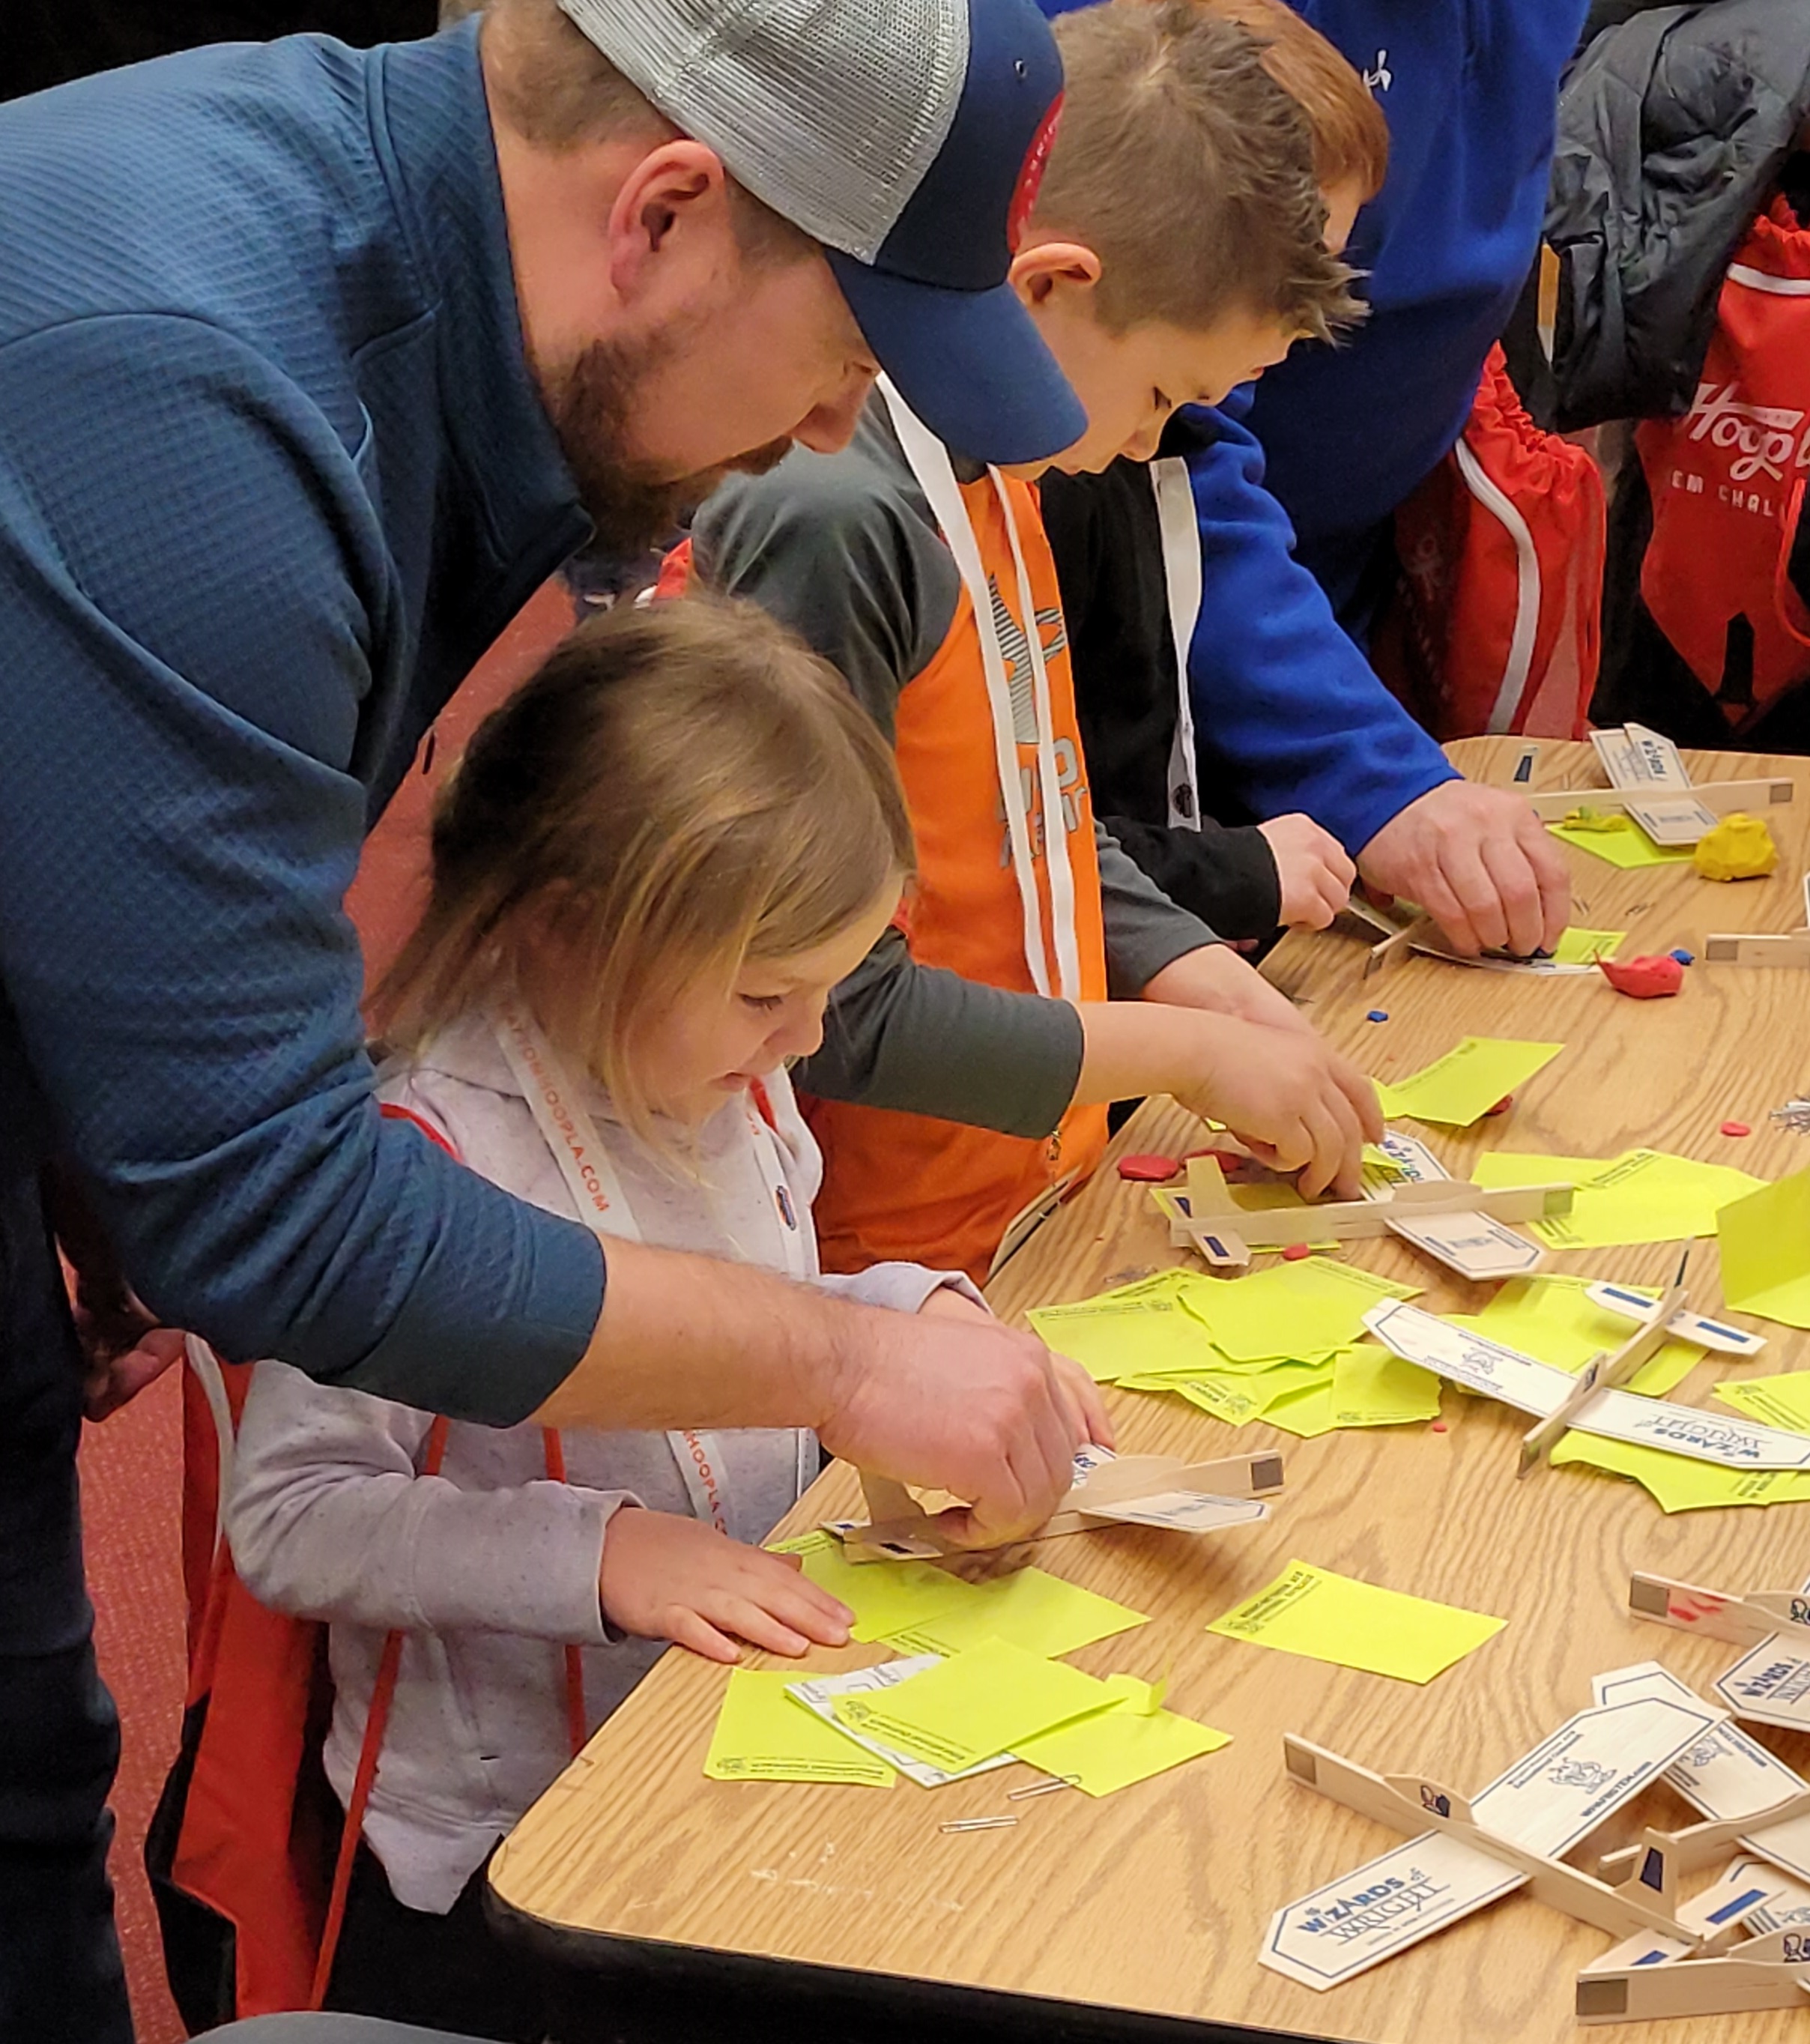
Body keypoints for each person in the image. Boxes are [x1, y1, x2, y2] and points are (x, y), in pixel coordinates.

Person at [0, 3, 1109, 2036]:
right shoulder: (194, 384)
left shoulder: (429, 318)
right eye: (847, 358)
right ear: (663, 214)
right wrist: (845, 1363)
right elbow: (282, 1219)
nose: (824, 439)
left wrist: (95, 1124)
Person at [220, 597, 999, 2039]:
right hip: (496, 1874)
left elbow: (750, 1324)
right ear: (574, 930)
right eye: (767, 992)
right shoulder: (416, 1162)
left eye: (827, 989)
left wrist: (902, 1312)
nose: (806, 1040)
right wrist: (605, 1552)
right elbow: (290, 1514)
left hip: (712, 1774)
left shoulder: (731, 1080)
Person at [694, 0, 1384, 1284]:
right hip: (864, 1258)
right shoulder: (835, 515)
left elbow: (1039, 828)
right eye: (1164, 395)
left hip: (1028, 1215)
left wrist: (1198, 977)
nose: (1150, 443)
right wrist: (1184, 1056)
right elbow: (823, 1008)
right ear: (1049, 286)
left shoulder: (1010, 464)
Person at [1037, 0, 1586, 961]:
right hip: (1181, 629)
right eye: (1179, 392)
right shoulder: (1074, 452)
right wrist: (1351, 788)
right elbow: (992, 867)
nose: (1276, 353)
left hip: (1295, 615)